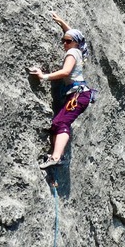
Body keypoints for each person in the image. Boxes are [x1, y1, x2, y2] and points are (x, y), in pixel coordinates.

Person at [29, 11, 94, 169]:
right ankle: (59, 156)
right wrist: (62, 22)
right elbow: (74, 36)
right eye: (63, 41)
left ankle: (56, 157)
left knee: (61, 122)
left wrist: (43, 76)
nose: (64, 44)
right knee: (59, 123)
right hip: (81, 94)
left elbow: (65, 72)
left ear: (74, 43)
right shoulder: (79, 50)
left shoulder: (72, 52)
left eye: (67, 41)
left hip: (78, 95)